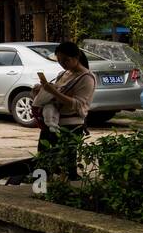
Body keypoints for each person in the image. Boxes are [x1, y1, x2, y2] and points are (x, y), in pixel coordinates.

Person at [31, 41, 96, 180]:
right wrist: (41, 92)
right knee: (43, 162)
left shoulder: (87, 78)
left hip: (70, 126)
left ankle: (65, 194)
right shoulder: (63, 73)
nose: (62, 63)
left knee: (66, 166)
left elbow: (78, 104)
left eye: (66, 60)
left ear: (76, 57)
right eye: (59, 60)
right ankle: (40, 191)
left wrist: (53, 92)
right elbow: (54, 95)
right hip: (52, 123)